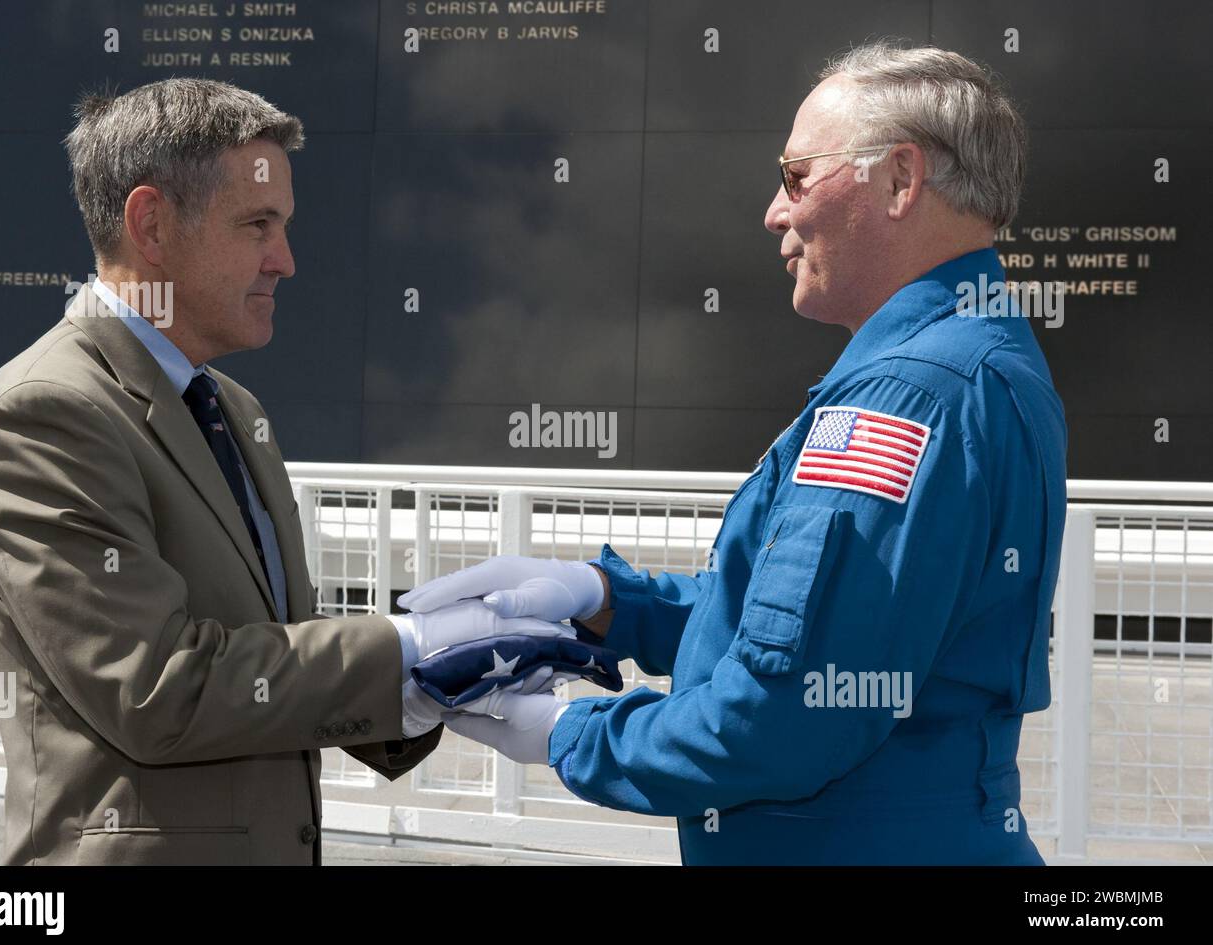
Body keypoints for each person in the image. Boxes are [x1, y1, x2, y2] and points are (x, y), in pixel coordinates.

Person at [403, 42, 1068, 865]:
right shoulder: (974, 361)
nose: (774, 212)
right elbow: (814, 637)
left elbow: (783, 715)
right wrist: (610, 603)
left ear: (900, 180)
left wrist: (573, 734)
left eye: (797, 176)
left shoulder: (907, 394)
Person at [0, 78, 566, 865]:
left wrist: (445, 682)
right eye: (257, 225)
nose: (286, 260)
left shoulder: (232, 409)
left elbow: (277, 653)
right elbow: (159, 687)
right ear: (151, 224)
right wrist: (412, 646)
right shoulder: (45, 412)